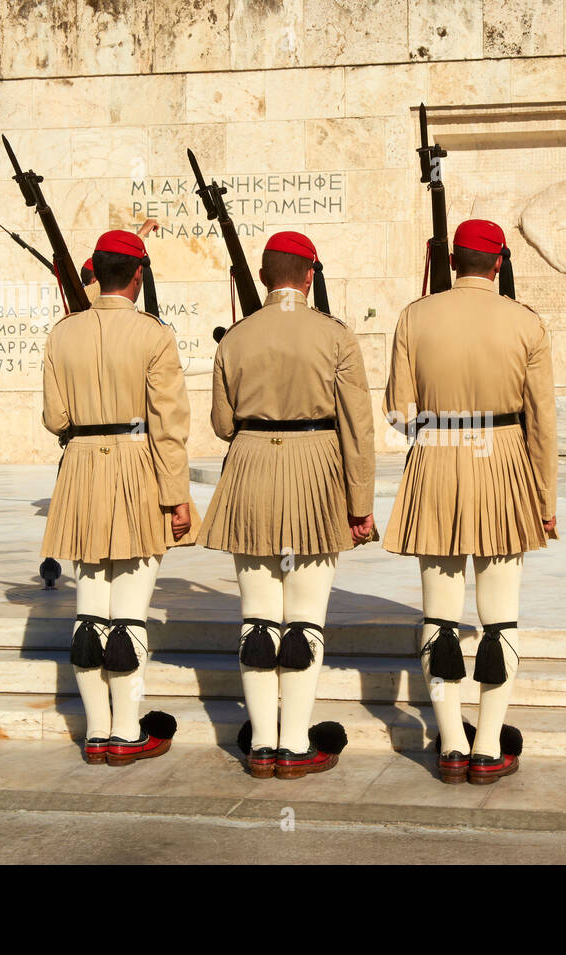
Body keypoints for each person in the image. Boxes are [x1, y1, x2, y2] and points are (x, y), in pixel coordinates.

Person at [382, 218, 558, 784]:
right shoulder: (525, 322)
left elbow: (398, 413)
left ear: (452, 261)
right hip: (504, 460)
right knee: (499, 619)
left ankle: (451, 744)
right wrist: (545, 497)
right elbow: (543, 423)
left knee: (439, 616)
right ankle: (487, 747)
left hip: (436, 458)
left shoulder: (416, 315)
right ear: (499, 263)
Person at [199, 231, 376, 780]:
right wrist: (361, 501)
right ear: (308, 275)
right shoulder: (335, 336)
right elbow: (357, 427)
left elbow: (222, 424)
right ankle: (294, 744)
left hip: (251, 468)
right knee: (305, 619)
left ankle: (262, 746)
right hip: (317, 469)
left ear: (263, 277)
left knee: (256, 619)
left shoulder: (235, 338)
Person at [41, 228, 199, 764]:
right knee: (129, 611)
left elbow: (54, 419)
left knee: (90, 609)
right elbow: (169, 424)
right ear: (138, 275)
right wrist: (177, 495)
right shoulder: (154, 334)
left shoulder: (62, 333)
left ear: (95, 271)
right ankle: (127, 732)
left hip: (83, 467)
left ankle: (95, 733)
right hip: (136, 467)